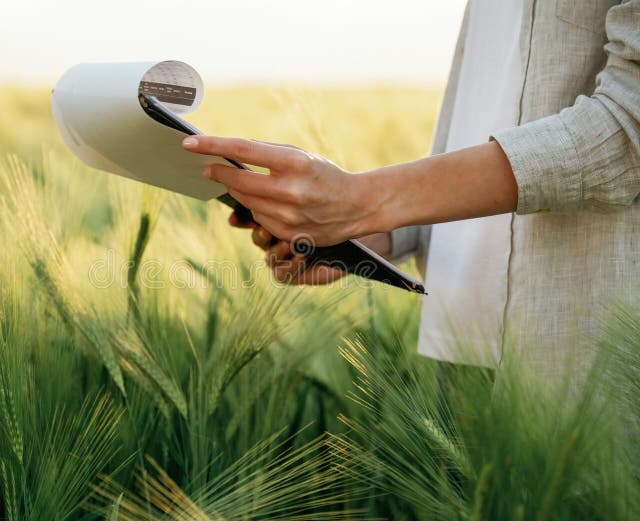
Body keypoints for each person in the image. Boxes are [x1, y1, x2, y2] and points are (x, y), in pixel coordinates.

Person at [182, 0, 640, 376]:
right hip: (459, 340)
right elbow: (493, 109)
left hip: (579, 352)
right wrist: (374, 237)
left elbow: (627, 127)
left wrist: (360, 201)